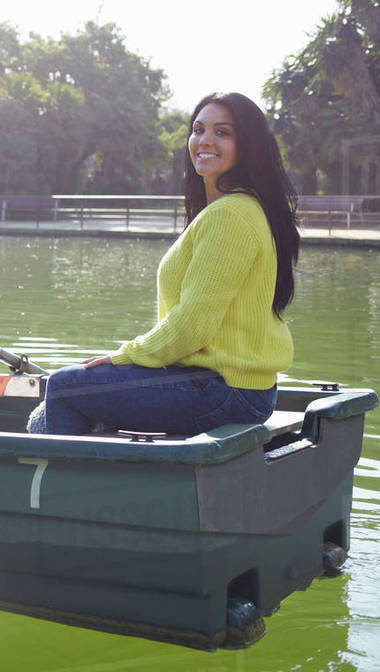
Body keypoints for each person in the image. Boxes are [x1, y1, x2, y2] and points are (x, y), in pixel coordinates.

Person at [27, 92, 300, 435]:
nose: (205, 141)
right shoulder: (240, 209)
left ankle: (66, 487)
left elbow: (192, 326)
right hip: (229, 386)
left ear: (248, 145)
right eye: (199, 129)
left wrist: (126, 355)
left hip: (224, 391)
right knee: (64, 398)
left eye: (223, 133)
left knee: (65, 386)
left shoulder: (230, 215)